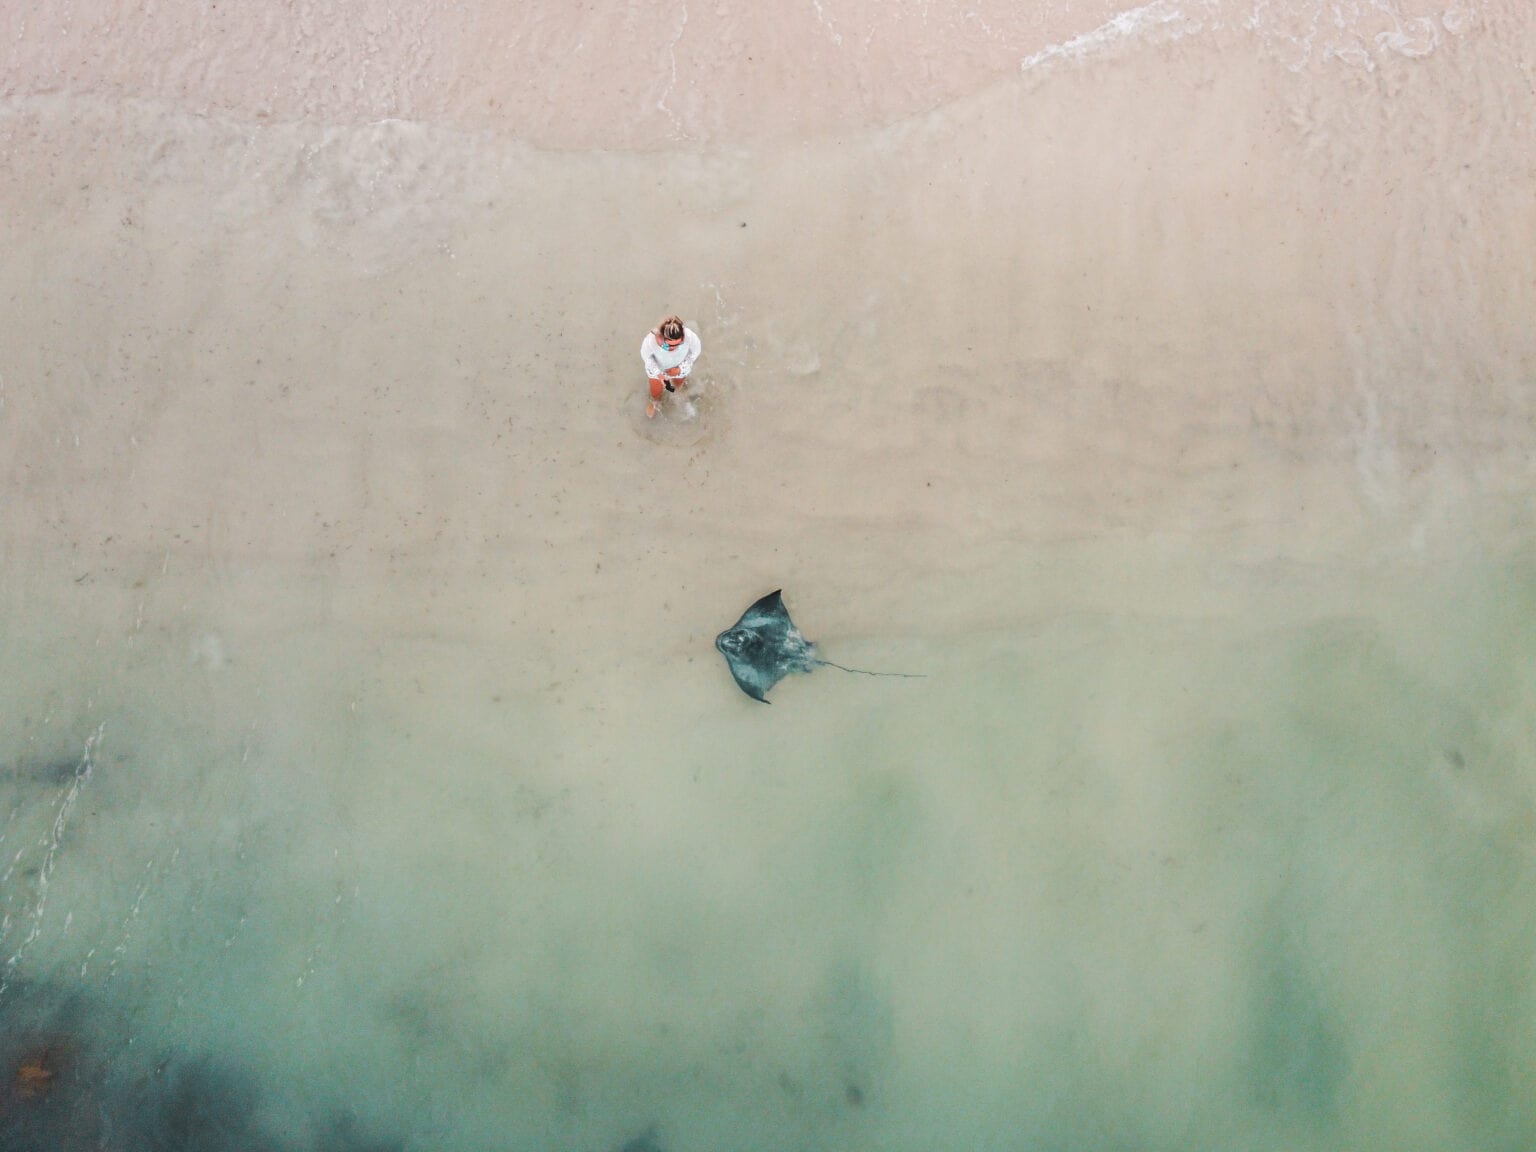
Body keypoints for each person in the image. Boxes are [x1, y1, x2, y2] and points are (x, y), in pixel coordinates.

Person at [640, 315, 702, 418]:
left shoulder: (690, 337)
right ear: (660, 336)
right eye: (667, 345)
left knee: (678, 385)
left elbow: (695, 352)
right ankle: (655, 402)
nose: (672, 348)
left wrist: (679, 369)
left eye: (677, 344)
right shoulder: (650, 341)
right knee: (655, 392)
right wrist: (659, 374)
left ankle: (679, 391)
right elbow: (647, 358)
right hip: (658, 371)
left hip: (680, 367)